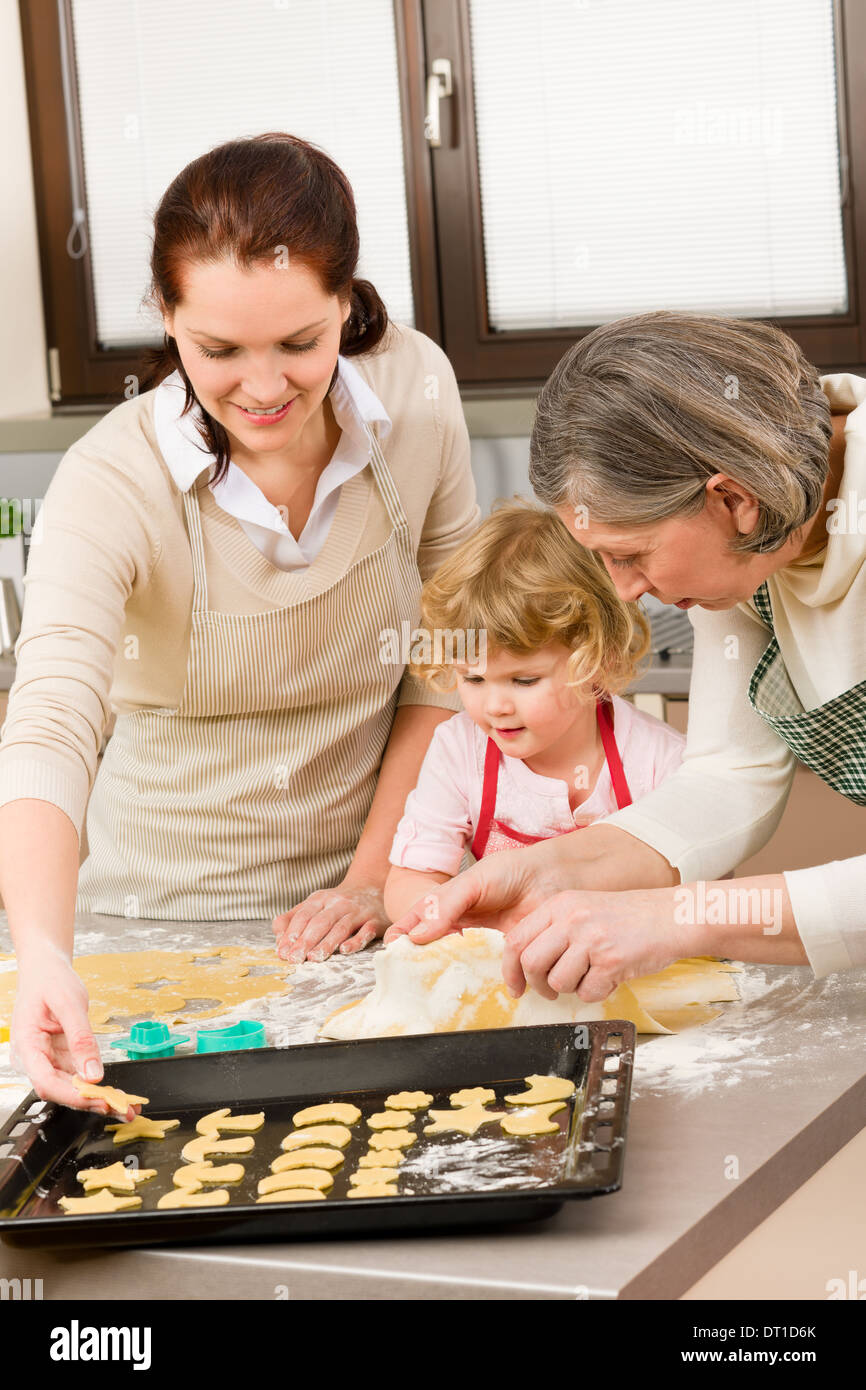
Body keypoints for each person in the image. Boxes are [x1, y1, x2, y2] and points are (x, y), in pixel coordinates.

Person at [0, 133, 479, 1109]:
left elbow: (445, 655)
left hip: (368, 922)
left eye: (299, 343)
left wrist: (371, 879)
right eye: (217, 351)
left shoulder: (416, 393)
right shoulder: (112, 481)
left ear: (345, 304)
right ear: (167, 321)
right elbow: (51, 721)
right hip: (144, 936)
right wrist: (41, 951)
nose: (262, 390)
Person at [386, 311, 866, 1004]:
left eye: (631, 555)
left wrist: (677, 918)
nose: (625, 591)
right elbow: (729, 778)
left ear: (733, 498)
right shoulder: (752, 547)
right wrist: (551, 870)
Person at [383, 499, 685, 925]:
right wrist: (465, 930)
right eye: (473, 679)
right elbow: (412, 880)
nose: (495, 707)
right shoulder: (460, 750)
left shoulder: (660, 762)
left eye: (524, 681)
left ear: (599, 658)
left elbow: (695, 894)